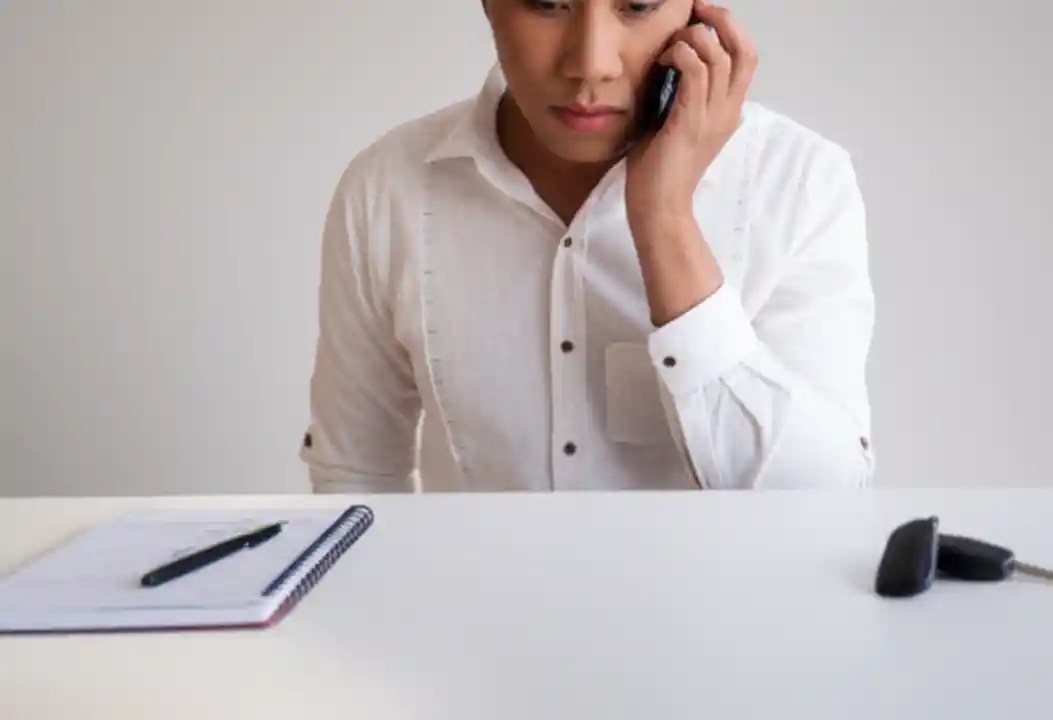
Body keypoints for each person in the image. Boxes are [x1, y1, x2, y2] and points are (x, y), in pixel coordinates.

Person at [300, 0, 876, 493]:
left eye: (638, 4)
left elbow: (822, 501)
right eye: (548, 2)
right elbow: (355, 480)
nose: (591, 64)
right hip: (471, 618)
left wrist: (665, 221)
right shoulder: (389, 187)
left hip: (720, 623)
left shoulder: (799, 181)